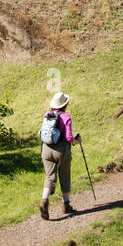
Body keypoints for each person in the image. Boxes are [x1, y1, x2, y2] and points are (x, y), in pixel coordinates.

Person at [39, 91, 81, 219]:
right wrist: (76, 141)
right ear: (65, 104)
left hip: (46, 148)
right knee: (64, 175)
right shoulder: (66, 117)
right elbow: (68, 137)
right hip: (61, 150)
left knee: (49, 176)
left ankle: (44, 200)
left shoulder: (47, 114)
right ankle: (65, 205)